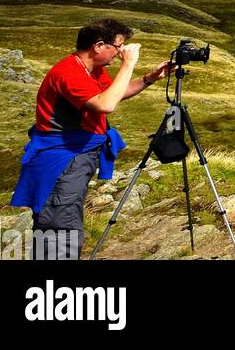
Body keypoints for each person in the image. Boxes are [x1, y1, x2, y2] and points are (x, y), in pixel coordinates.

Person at [10, 19, 175, 260]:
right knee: (60, 221)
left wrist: (150, 78)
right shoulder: (68, 72)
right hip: (62, 161)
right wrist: (128, 63)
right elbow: (106, 105)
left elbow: (114, 94)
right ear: (99, 46)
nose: (119, 53)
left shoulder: (91, 70)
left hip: (76, 156)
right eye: (118, 46)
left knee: (64, 216)